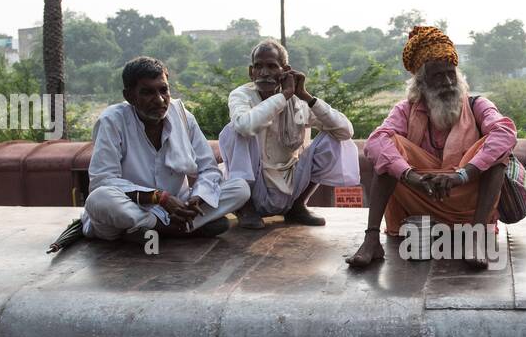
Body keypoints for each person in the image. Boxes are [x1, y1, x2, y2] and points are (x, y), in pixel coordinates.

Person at [346, 26, 515, 270]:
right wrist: (411, 176)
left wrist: (463, 174)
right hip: (421, 203)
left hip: (468, 206)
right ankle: (371, 239)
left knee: (497, 152)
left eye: (450, 74)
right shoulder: (406, 110)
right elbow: (376, 142)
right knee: (387, 147)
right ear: (421, 83)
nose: (447, 82)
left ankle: (476, 238)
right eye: (438, 76)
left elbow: (505, 132)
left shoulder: (477, 105)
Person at [82, 56, 250, 241]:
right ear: (129, 96)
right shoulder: (112, 121)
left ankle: (156, 228)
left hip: (180, 205)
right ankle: (176, 228)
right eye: (147, 93)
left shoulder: (184, 117)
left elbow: (208, 168)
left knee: (240, 187)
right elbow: (103, 181)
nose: (159, 100)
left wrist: (197, 198)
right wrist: (159, 198)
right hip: (133, 206)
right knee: (99, 199)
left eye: (164, 90)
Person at [220, 39, 358, 229]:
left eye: (272, 66)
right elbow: (244, 126)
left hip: (289, 183)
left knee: (334, 138)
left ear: (285, 70)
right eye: (258, 66)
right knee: (235, 130)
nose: (264, 73)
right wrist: (283, 96)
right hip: (252, 185)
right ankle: (245, 208)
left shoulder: (299, 101)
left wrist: (307, 97)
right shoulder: (241, 95)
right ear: (251, 72)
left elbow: (346, 131)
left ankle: (297, 206)